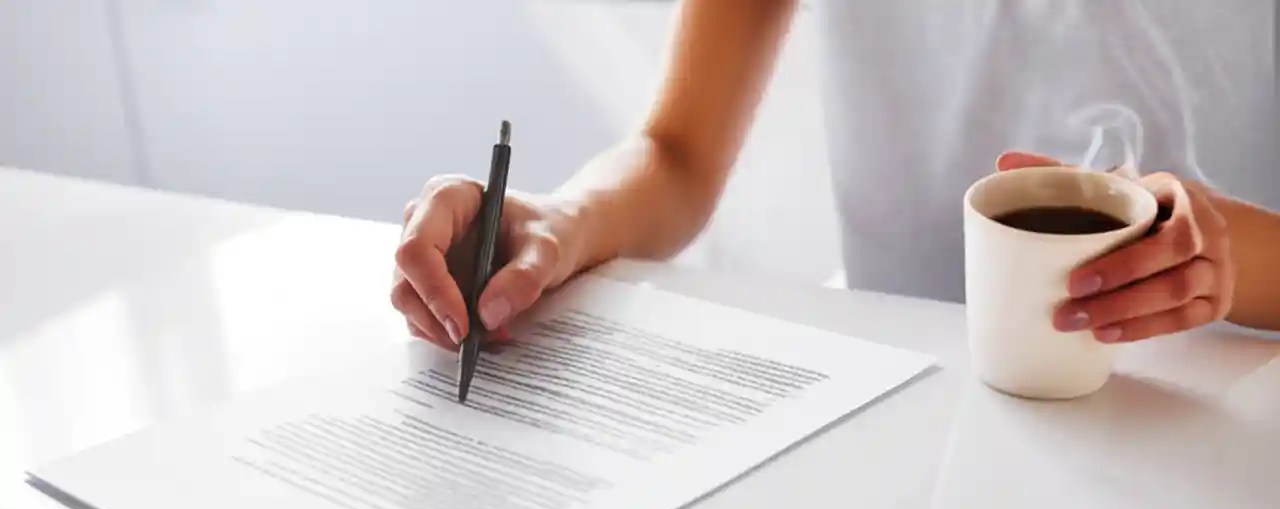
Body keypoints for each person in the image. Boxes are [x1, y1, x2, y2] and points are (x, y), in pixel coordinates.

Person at [391, 0, 1280, 350]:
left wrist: (1226, 259)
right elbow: (678, 156)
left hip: (1214, 429)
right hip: (912, 441)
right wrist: (557, 223)